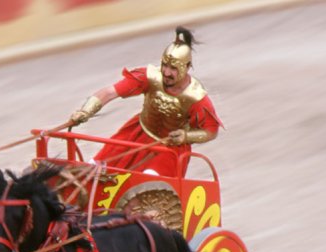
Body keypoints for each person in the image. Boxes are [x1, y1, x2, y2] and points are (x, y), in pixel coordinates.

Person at [69, 27, 222, 177]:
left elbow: (210, 131)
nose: (167, 73)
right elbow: (110, 92)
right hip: (136, 134)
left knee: (148, 181)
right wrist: (85, 111)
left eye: (174, 68)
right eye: (165, 65)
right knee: (93, 169)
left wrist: (186, 136)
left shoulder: (196, 98)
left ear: (187, 67)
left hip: (170, 149)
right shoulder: (149, 77)